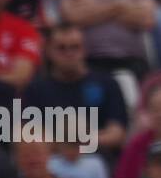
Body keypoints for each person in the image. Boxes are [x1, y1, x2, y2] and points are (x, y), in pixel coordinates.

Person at [21, 23, 130, 162]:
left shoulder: (107, 84)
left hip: (99, 160)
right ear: (48, 51)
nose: (69, 53)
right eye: (61, 48)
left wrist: (76, 143)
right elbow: (30, 136)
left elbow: (117, 134)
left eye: (75, 47)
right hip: (52, 162)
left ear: (85, 49)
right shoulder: (35, 89)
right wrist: (69, 144)